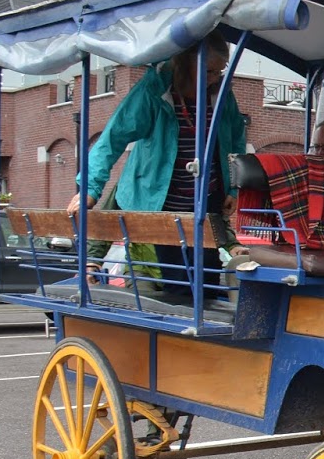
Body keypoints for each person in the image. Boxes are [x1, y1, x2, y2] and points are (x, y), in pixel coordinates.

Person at [67, 34, 244, 303]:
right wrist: (89, 189)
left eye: (219, 72)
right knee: (178, 285)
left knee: (207, 283)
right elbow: (113, 137)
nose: (215, 78)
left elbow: (236, 141)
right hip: (163, 208)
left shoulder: (220, 93)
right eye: (208, 71)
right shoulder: (154, 90)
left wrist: (232, 185)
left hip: (204, 205)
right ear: (185, 64)